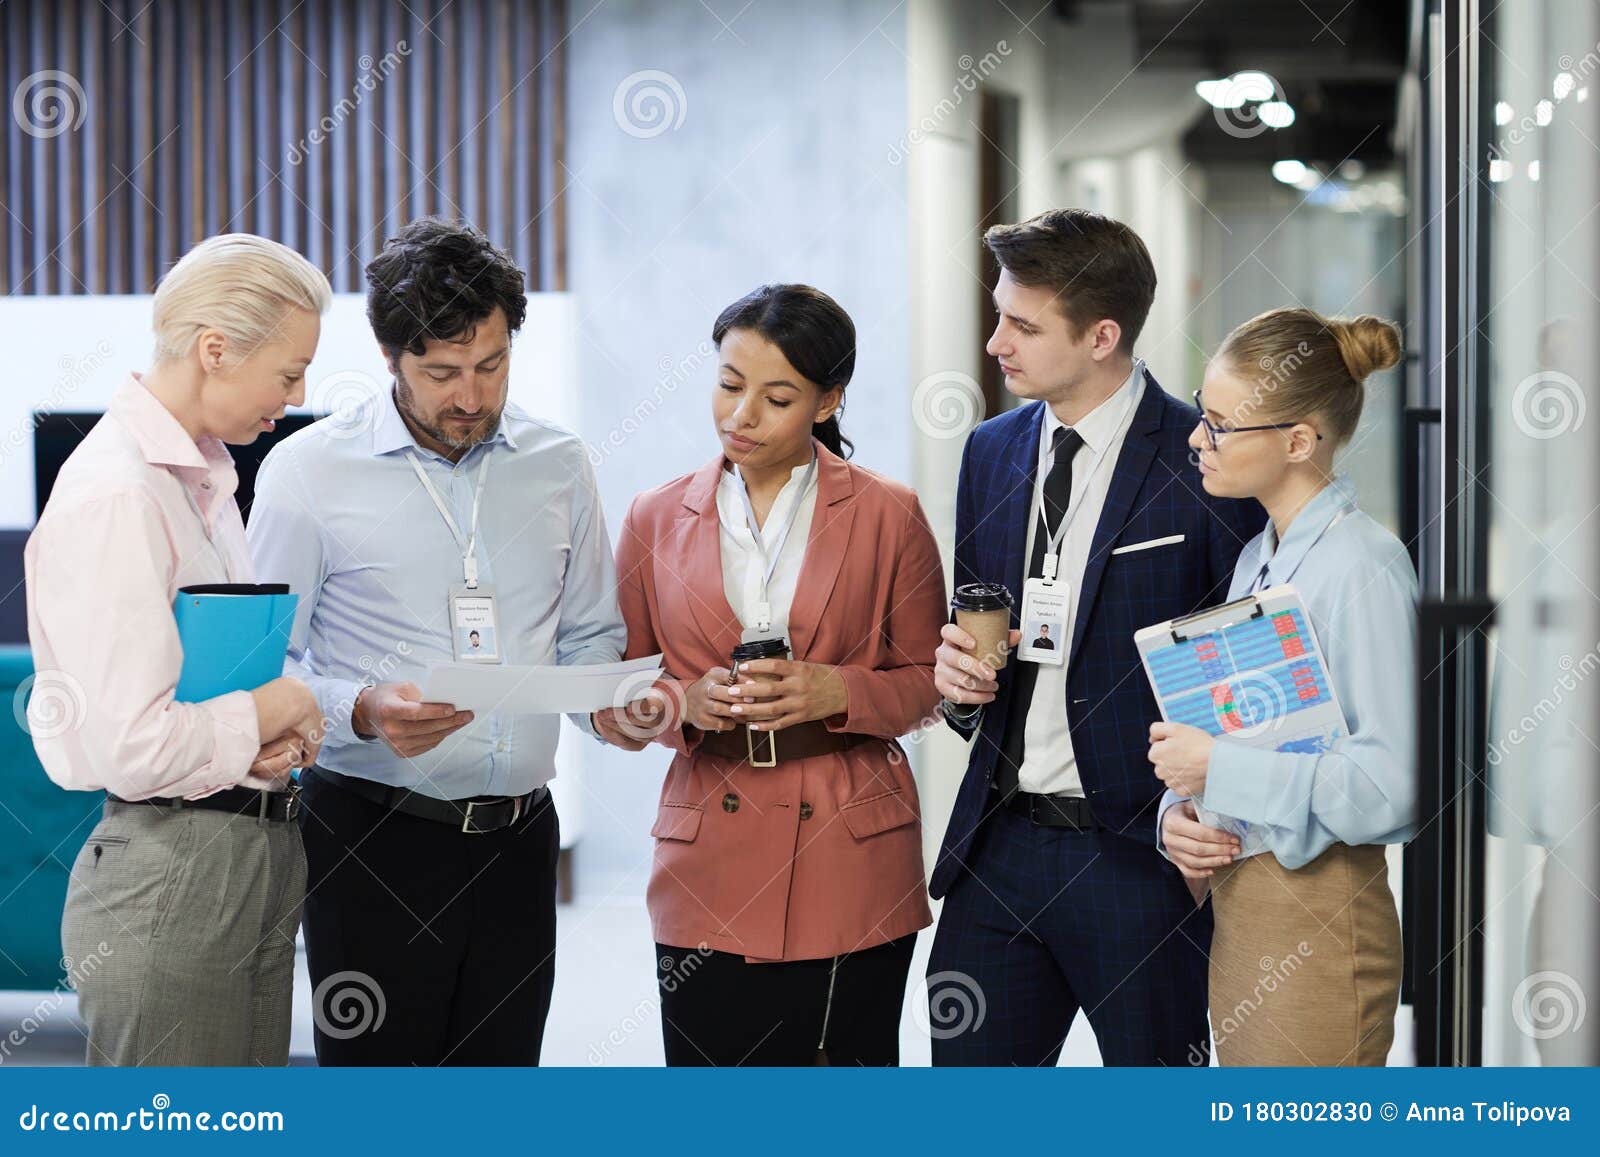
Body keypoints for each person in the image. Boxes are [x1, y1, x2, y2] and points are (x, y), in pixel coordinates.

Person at [246, 218, 626, 1066]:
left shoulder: (559, 463)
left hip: (519, 843)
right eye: (442, 372)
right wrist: (364, 709)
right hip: (371, 839)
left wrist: (613, 711)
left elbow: (592, 632)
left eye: (491, 366)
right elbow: (264, 665)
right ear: (391, 360)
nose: (470, 396)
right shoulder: (308, 472)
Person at [928, 209, 1266, 1066]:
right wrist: (958, 681)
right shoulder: (990, 452)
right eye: (1000, 312)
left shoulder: (1205, 464)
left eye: (1023, 324)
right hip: (998, 847)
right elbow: (983, 627)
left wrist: (1204, 827)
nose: (997, 339)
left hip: (1138, 855)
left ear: (1102, 335)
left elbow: (1240, 680)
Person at [601, 284, 947, 1066]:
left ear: (829, 400)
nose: (740, 416)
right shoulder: (653, 517)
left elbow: (933, 680)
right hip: (707, 853)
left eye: (777, 396)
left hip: (850, 847)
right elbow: (610, 696)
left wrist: (842, 691)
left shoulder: (890, 513)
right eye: (728, 384)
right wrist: (678, 702)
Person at [26, 234, 330, 1065]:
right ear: (215, 349)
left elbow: (193, 689)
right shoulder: (119, 493)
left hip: (246, 856)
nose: (297, 394)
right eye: (288, 371)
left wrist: (267, 741)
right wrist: (277, 706)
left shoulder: (200, 478)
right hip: (174, 873)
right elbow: (134, 744)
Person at [1151, 307, 1417, 1066]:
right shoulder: (1261, 557)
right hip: (1248, 908)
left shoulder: (1362, 566)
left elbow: (1393, 786)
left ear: (1299, 441)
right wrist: (1187, 808)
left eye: (1220, 424)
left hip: (1320, 918)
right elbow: (1256, 736)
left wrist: (1218, 767)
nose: (1197, 439)